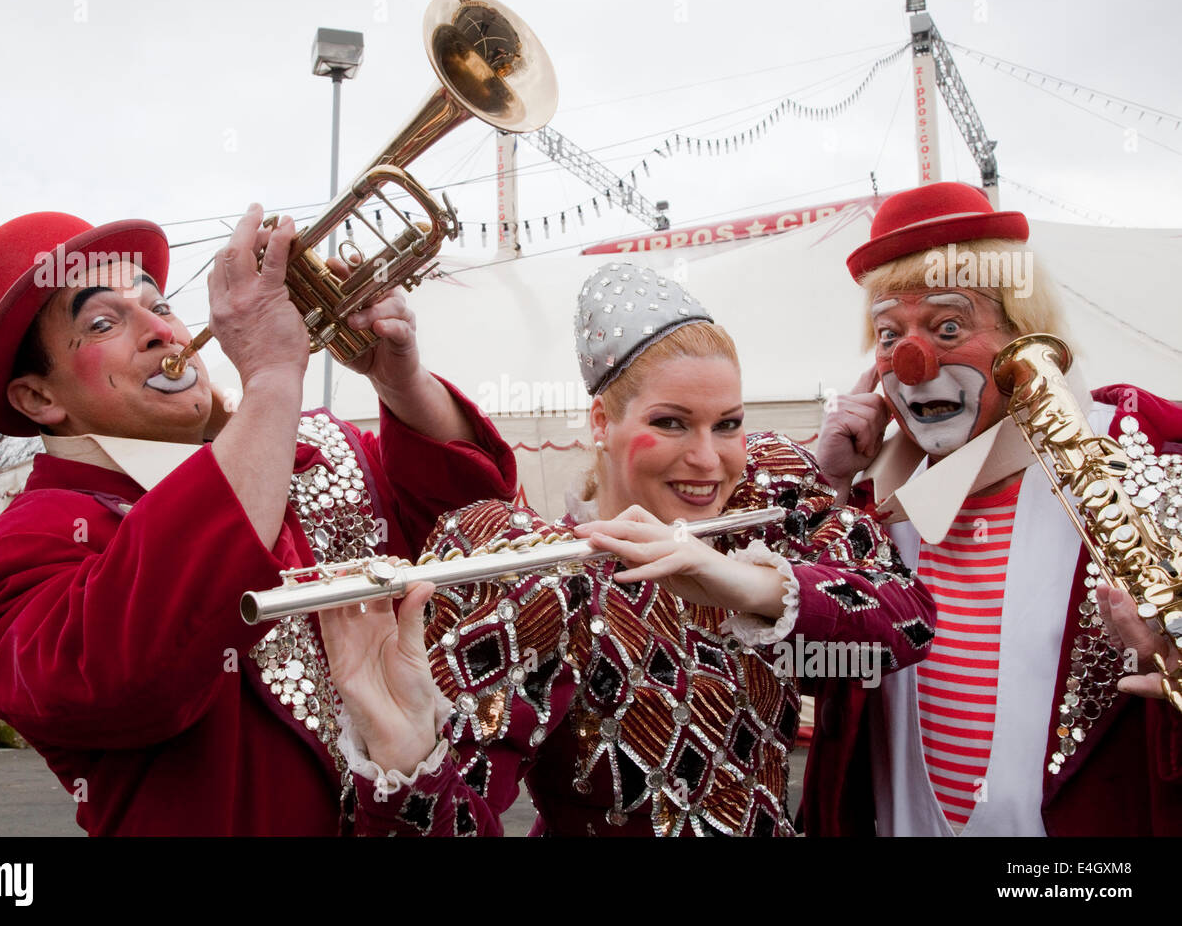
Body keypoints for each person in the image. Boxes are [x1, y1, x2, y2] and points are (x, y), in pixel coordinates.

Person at [0, 204, 516, 835]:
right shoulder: (8, 562)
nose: (162, 331)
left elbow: (472, 527)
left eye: (158, 306)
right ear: (39, 398)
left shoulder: (317, 446)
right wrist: (270, 379)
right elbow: (130, 675)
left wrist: (400, 381)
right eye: (104, 321)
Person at [321, 262, 937, 836]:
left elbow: (908, 621)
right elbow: (453, 816)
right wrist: (405, 760)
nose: (706, 458)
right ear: (599, 423)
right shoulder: (553, 577)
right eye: (670, 422)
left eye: (727, 424)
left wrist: (741, 581)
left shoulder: (762, 501)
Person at [806, 181, 1182, 835]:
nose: (915, 362)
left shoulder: (1140, 451)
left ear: (1022, 330)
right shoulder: (874, 505)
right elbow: (806, 671)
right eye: (889, 333)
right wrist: (826, 485)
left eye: (950, 326)